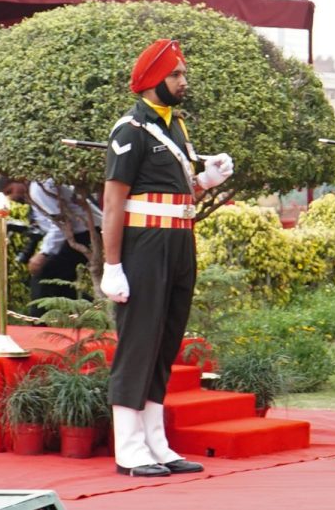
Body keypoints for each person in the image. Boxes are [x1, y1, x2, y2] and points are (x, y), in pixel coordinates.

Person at [101, 39, 233, 477]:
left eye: (182, 74)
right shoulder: (131, 129)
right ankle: (129, 447)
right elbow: (115, 201)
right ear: (155, 79)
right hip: (145, 246)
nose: (183, 81)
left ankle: (157, 442)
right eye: (176, 75)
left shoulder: (176, 127)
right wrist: (112, 264)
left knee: (164, 343)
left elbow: (181, 192)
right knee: (139, 341)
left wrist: (207, 179)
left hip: (178, 242)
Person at [26, 178, 102, 311]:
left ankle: (38, 322)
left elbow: (62, 223)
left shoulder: (39, 187)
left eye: (10, 191)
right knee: (61, 285)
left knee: (44, 276)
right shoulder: (39, 187)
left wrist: (44, 253)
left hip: (85, 231)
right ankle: (96, 311)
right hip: (84, 231)